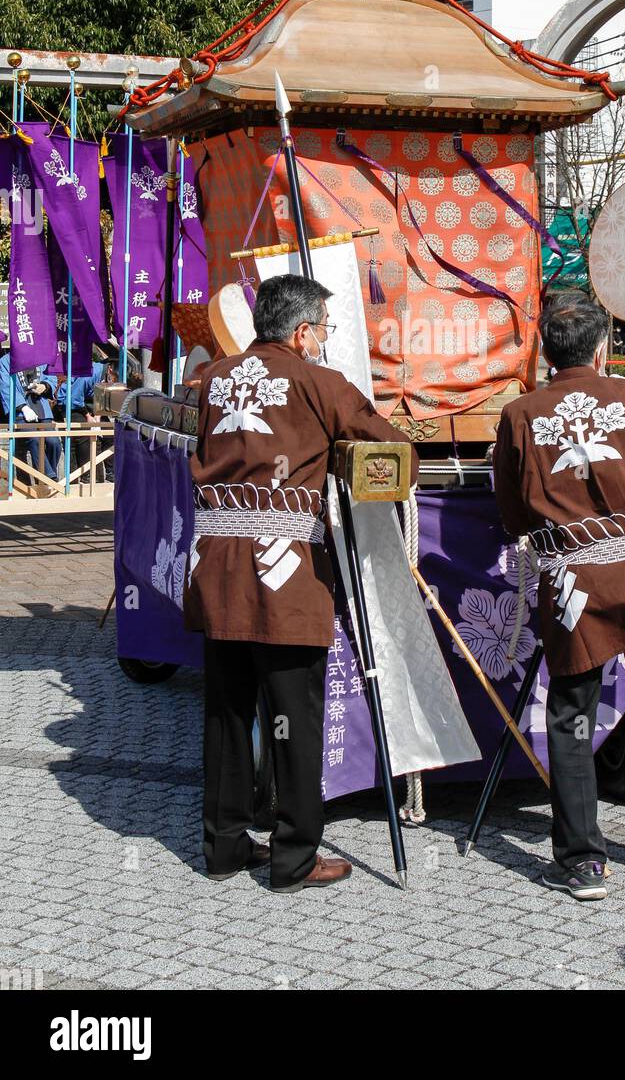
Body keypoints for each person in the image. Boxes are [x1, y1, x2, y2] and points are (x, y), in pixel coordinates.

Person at [184, 273, 418, 893]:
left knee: (228, 711)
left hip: (214, 563)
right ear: (304, 331)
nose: (323, 341)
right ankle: (293, 856)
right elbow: (391, 452)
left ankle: (223, 844)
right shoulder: (319, 382)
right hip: (282, 570)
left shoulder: (212, 379)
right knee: (292, 714)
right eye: (323, 331)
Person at [493, 293, 625, 902]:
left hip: (573, 578)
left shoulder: (522, 413)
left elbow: (511, 510)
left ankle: (583, 859)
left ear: (547, 355)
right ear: (602, 347)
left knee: (572, 712)